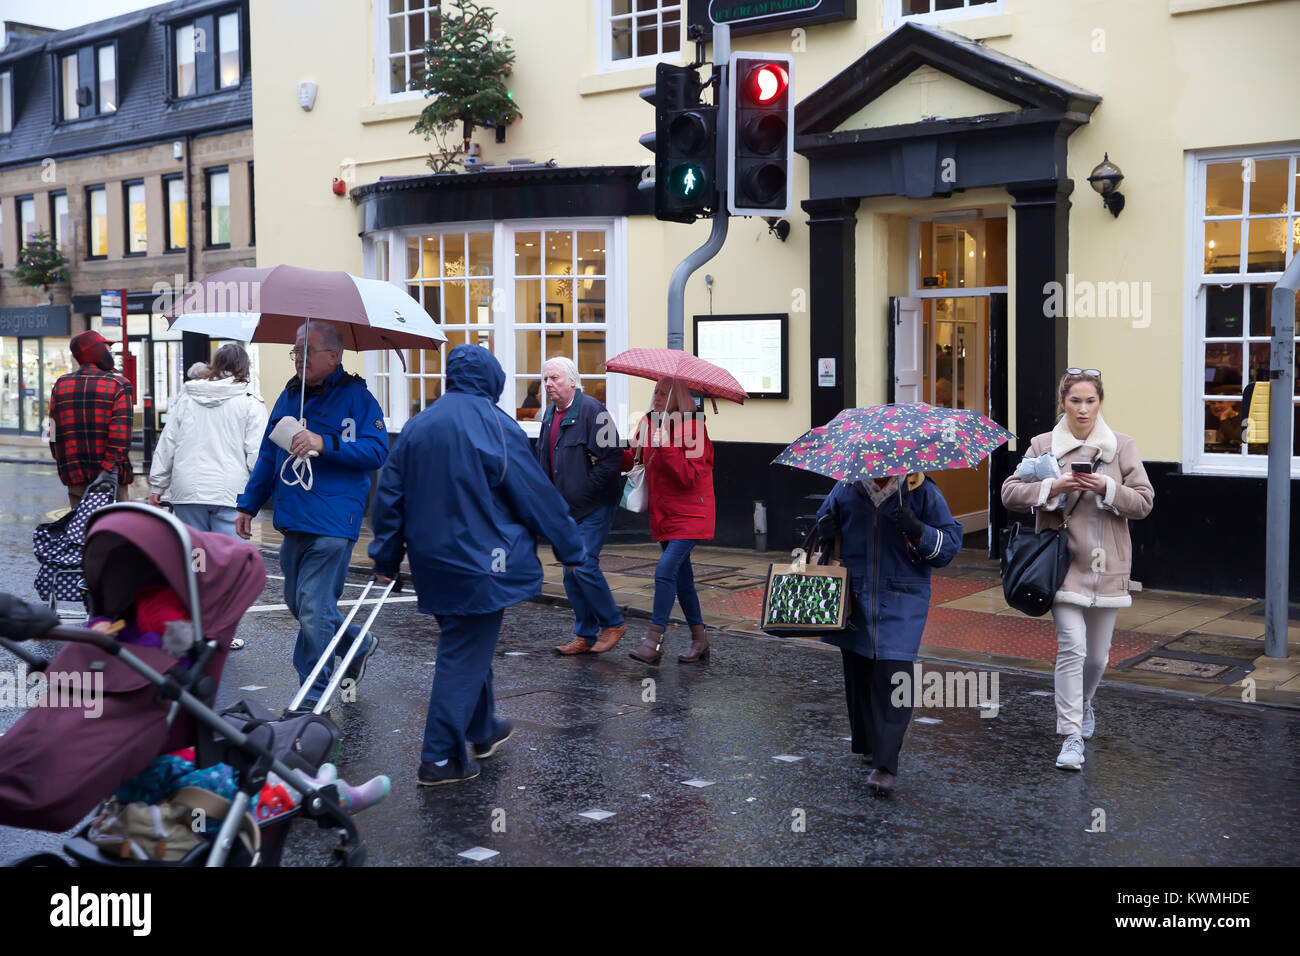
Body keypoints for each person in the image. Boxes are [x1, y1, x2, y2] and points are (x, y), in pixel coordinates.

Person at [369, 344, 585, 786]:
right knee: (463, 653)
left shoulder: (416, 427)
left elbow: (389, 497)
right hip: (485, 565)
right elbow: (535, 496)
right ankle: (439, 758)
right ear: (492, 381)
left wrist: (386, 560)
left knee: (465, 643)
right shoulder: (497, 426)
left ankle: (482, 728)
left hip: (433, 563)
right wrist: (572, 549)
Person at [1000, 369, 1153, 772]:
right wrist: (1055, 487)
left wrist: (1106, 489)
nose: (1083, 409)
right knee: (1073, 646)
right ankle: (1070, 736)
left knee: (1099, 658)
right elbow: (1009, 493)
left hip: (1110, 564)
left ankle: (1084, 705)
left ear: (1100, 402)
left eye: (1090, 401)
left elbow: (1144, 502)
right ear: (1062, 403)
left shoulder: (1120, 446)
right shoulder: (1042, 446)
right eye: (1074, 401)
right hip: (1062, 563)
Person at [235, 322, 389, 709]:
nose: (299, 358)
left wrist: (326, 442)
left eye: (307, 351)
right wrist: (248, 504)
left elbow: (376, 452)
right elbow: (270, 456)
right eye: (296, 351)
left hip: (335, 519)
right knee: (298, 602)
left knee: (314, 609)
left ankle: (312, 696)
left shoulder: (358, 397)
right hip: (294, 516)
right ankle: (356, 642)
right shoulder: (289, 396)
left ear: (333, 356)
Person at [814, 473, 963, 795]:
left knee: (895, 674)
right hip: (854, 594)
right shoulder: (845, 486)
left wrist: (919, 529)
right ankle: (869, 744)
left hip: (903, 595)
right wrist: (826, 528)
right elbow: (822, 519)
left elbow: (949, 546)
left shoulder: (923, 490)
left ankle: (885, 763)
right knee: (859, 670)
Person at [535, 356, 627, 656]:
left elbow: (613, 456)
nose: (548, 384)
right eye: (546, 379)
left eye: (555, 378)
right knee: (570, 570)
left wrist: (585, 491)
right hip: (564, 510)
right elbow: (544, 460)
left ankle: (613, 623)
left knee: (584, 564)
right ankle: (585, 635)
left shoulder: (593, 410)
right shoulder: (549, 414)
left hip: (595, 506)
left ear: (572, 381)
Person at [624, 377, 715, 665]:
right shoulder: (649, 423)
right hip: (664, 513)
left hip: (691, 515)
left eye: (664, 392)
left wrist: (666, 446)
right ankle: (700, 639)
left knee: (665, 570)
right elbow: (633, 458)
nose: (657, 397)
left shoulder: (694, 428)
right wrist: (606, 455)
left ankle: (654, 641)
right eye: (656, 391)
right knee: (683, 579)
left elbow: (689, 477)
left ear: (678, 398)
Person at [149, 343, 268, 537]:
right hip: (230, 492)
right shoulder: (251, 403)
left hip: (187, 490)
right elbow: (257, 454)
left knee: (196, 556)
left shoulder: (187, 399)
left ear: (216, 365)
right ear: (245, 367)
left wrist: (157, 485)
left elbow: (167, 444)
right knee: (228, 558)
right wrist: (262, 491)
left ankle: (200, 567)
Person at [48, 330, 134, 508]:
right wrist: (108, 470)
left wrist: (62, 461)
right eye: (106, 347)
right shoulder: (118, 384)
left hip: (74, 473)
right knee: (113, 530)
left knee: (81, 530)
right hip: (110, 479)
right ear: (97, 351)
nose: (109, 351)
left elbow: (53, 431)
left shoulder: (61, 385)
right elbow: (120, 436)